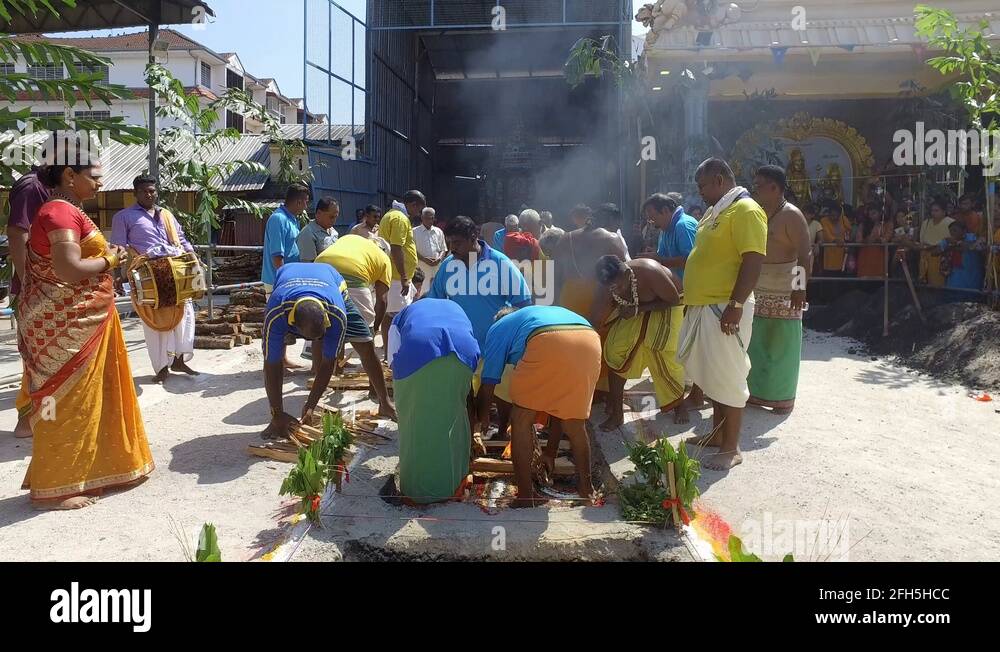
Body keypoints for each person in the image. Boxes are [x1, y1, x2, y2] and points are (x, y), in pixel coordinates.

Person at [17, 136, 153, 509]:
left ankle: (89, 473)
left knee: (86, 401)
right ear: (68, 175)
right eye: (93, 176)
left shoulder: (65, 209)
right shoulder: (58, 212)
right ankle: (55, 488)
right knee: (62, 403)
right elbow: (68, 269)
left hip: (81, 321)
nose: (100, 183)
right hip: (63, 328)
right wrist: (110, 260)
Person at [677, 158, 767, 471]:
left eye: (702, 185)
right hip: (705, 305)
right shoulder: (717, 212)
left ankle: (732, 447)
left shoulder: (746, 210)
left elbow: (753, 260)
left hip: (726, 307)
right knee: (712, 374)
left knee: (728, 374)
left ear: (719, 179)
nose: (699, 192)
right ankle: (716, 435)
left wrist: (737, 304)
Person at [477, 305, 602, 508]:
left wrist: (483, 419)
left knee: (520, 419)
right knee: (574, 424)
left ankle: (526, 497)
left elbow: (489, 381)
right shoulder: (529, 318)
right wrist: (550, 453)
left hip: (546, 339)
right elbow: (557, 408)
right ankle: (587, 491)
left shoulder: (498, 327)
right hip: (589, 341)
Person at [425, 215, 532, 436]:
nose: (452, 248)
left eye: (457, 243)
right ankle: (471, 435)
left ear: (474, 237)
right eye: (449, 243)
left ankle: (502, 432)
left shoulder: (500, 263)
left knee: (502, 394)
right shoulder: (448, 266)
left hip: (496, 343)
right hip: (461, 343)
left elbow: (523, 303)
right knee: (466, 392)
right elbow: (435, 301)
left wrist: (509, 329)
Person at [261, 262, 390, 440]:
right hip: (287, 281)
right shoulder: (275, 314)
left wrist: (311, 405)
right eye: (312, 340)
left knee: (365, 345)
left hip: (333, 283)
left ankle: (386, 403)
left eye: (320, 338)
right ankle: (277, 421)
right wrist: (276, 413)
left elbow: (328, 362)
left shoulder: (337, 315)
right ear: (293, 325)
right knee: (274, 353)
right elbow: (271, 364)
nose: (316, 343)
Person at [387, 299, 480, 505]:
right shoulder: (457, 308)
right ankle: (454, 486)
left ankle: (417, 493)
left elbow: (393, 360)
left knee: (413, 420)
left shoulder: (404, 313)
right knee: (453, 415)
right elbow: (468, 400)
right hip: (464, 352)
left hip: (418, 349)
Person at [111, 175, 200, 384]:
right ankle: (161, 368)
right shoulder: (123, 217)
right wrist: (117, 278)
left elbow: (182, 239)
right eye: (144, 191)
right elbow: (118, 249)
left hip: (176, 272)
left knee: (184, 315)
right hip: (148, 275)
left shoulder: (167, 215)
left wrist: (194, 260)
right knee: (153, 320)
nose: (149, 194)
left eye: (152, 190)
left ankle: (179, 359)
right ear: (135, 193)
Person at [746, 165, 812, 414]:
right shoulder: (759, 213)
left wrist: (800, 288)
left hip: (787, 286)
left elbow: (806, 255)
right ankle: (757, 392)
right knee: (757, 341)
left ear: (774, 188)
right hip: (760, 284)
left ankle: (783, 398)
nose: (755, 190)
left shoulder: (792, 215)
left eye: (759, 185)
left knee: (783, 344)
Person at [593, 255, 685, 429]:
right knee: (614, 351)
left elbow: (672, 300)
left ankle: (679, 404)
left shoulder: (648, 270)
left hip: (669, 305)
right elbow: (596, 319)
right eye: (613, 288)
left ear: (628, 274)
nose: (617, 291)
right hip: (636, 309)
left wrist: (638, 309)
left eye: (620, 286)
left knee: (661, 351)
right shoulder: (607, 284)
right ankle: (617, 413)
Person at [314, 235, 396, 417]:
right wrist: (372, 331)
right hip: (353, 277)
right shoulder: (384, 259)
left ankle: (319, 389)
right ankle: (383, 401)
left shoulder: (351, 238)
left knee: (325, 330)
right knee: (365, 346)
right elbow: (382, 301)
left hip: (319, 271)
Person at [6, 165, 49, 439]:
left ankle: (45, 419)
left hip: (48, 286)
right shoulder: (32, 186)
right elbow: (17, 234)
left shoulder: (49, 189)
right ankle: (26, 421)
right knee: (36, 357)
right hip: (34, 288)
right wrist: (28, 282)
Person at [378, 190, 423, 360]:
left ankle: (389, 354)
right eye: (418, 210)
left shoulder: (391, 215)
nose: (417, 214)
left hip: (394, 275)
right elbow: (396, 248)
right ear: (413, 205)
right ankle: (396, 355)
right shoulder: (400, 218)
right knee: (398, 318)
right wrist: (404, 277)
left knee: (389, 316)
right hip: (397, 277)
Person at [637, 192, 697, 282]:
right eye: (649, 220)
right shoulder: (666, 228)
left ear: (665, 210)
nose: (652, 223)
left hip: (692, 288)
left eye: (653, 218)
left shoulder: (683, 226)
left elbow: (690, 261)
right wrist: (653, 255)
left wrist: (660, 260)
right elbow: (663, 256)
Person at [262, 184, 309, 295]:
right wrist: (284, 282)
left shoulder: (292, 219)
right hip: (278, 281)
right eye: (306, 202)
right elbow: (277, 256)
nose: (306, 206)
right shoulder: (278, 219)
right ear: (298, 202)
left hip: (289, 279)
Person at [940, 221, 986, 292]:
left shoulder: (973, 238)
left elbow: (975, 246)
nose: (952, 233)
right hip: (954, 279)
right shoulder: (948, 240)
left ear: (964, 231)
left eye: (955, 230)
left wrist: (957, 243)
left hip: (972, 279)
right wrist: (946, 247)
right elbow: (934, 252)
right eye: (950, 231)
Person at [918, 200, 955, 287]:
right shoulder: (926, 223)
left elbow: (952, 240)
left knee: (939, 286)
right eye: (932, 210)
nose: (933, 213)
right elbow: (922, 240)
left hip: (941, 258)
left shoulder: (951, 222)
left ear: (944, 211)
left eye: (936, 210)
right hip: (925, 256)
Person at [413, 206, 447, 296]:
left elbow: (443, 249)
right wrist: (424, 259)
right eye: (427, 218)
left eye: (432, 218)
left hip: (436, 267)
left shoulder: (439, 231)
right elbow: (412, 251)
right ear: (422, 217)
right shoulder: (414, 232)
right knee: (422, 291)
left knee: (437, 289)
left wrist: (439, 259)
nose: (430, 221)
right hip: (421, 267)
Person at [854, 204, 892, 278]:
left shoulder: (887, 224)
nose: (871, 216)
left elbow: (887, 238)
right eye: (870, 214)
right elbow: (858, 240)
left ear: (880, 212)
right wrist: (865, 240)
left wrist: (878, 240)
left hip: (880, 257)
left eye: (874, 213)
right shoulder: (863, 225)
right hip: (865, 257)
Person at [297, 197, 340, 262]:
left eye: (336, 217)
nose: (334, 220)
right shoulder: (308, 234)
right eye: (331, 217)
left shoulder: (333, 232)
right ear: (319, 213)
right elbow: (308, 266)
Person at [819, 202, 853, 275]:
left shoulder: (844, 219)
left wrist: (845, 238)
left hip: (842, 252)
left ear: (840, 214)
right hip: (828, 252)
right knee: (828, 274)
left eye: (835, 215)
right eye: (831, 215)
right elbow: (826, 234)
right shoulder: (824, 220)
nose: (833, 217)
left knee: (841, 274)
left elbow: (849, 230)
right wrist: (835, 240)